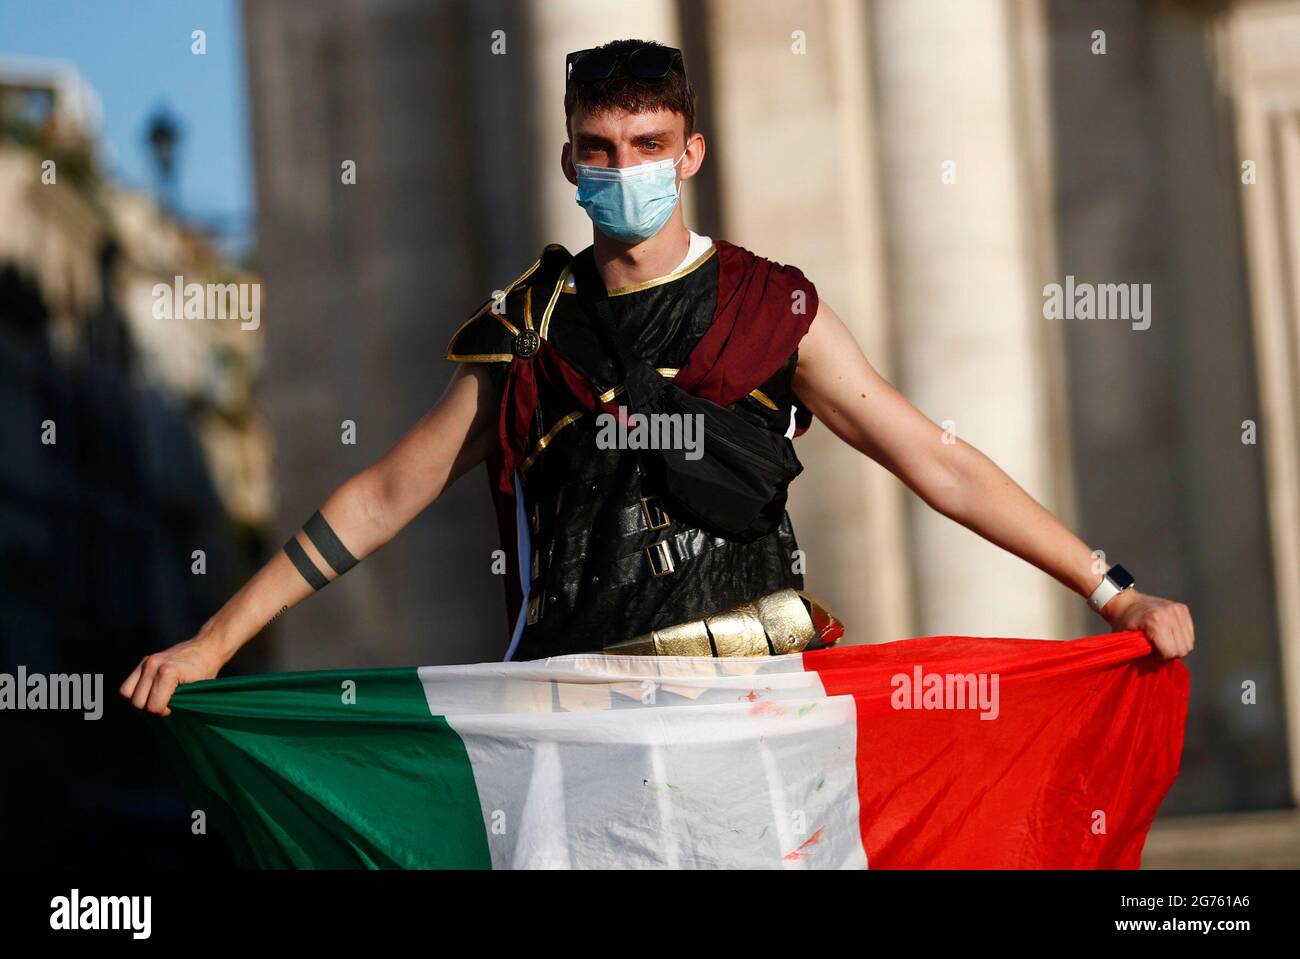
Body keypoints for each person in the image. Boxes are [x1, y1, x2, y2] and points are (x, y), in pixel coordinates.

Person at [122, 38, 1193, 717]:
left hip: (752, 698)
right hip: (575, 706)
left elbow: (935, 460)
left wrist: (1111, 586)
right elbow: (382, 495)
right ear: (568, 161)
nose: (623, 167)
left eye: (647, 142)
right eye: (599, 145)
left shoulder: (771, 307)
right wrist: (216, 640)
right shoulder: (530, 328)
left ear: (690, 152)